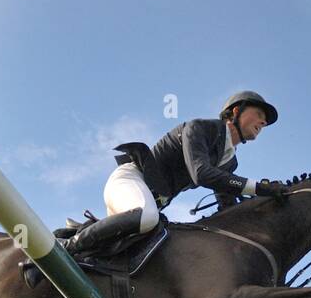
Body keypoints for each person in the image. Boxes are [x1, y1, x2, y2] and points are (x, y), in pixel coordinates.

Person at [61, 91, 285, 256]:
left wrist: (261, 210)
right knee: (148, 217)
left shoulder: (230, 162)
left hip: (150, 204)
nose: (263, 121)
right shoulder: (200, 128)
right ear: (236, 111)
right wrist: (259, 187)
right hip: (130, 180)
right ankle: (67, 248)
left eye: (264, 120)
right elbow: (202, 174)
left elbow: (227, 207)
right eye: (258, 114)